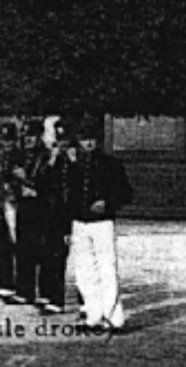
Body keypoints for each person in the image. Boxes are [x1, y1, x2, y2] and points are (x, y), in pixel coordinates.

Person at [62, 119, 133, 333]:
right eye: (84, 140)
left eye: (92, 139)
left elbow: (126, 193)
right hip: (79, 223)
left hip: (102, 223)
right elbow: (67, 198)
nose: (88, 144)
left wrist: (108, 203)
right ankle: (93, 316)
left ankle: (114, 318)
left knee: (107, 268)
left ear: (98, 141)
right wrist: (67, 227)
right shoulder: (74, 167)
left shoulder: (111, 164)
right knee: (84, 271)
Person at [8, 119, 64, 310]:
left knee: (45, 250)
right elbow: (11, 178)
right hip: (24, 206)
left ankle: (46, 292)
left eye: (31, 136)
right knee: (24, 249)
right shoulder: (20, 156)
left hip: (43, 207)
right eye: (25, 136)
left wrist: (31, 184)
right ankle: (24, 291)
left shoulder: (47, 156)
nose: (28, 140)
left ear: (39, 136)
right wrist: (18, 188)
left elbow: (50, 182)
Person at [0, 121, 22, 298]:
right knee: (0, 243)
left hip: (16, 204)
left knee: (19, 244)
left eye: (10, 140)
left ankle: (22, 284)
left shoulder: (22, 156)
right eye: (3, 140)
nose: (7, 144)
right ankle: (3, 283)